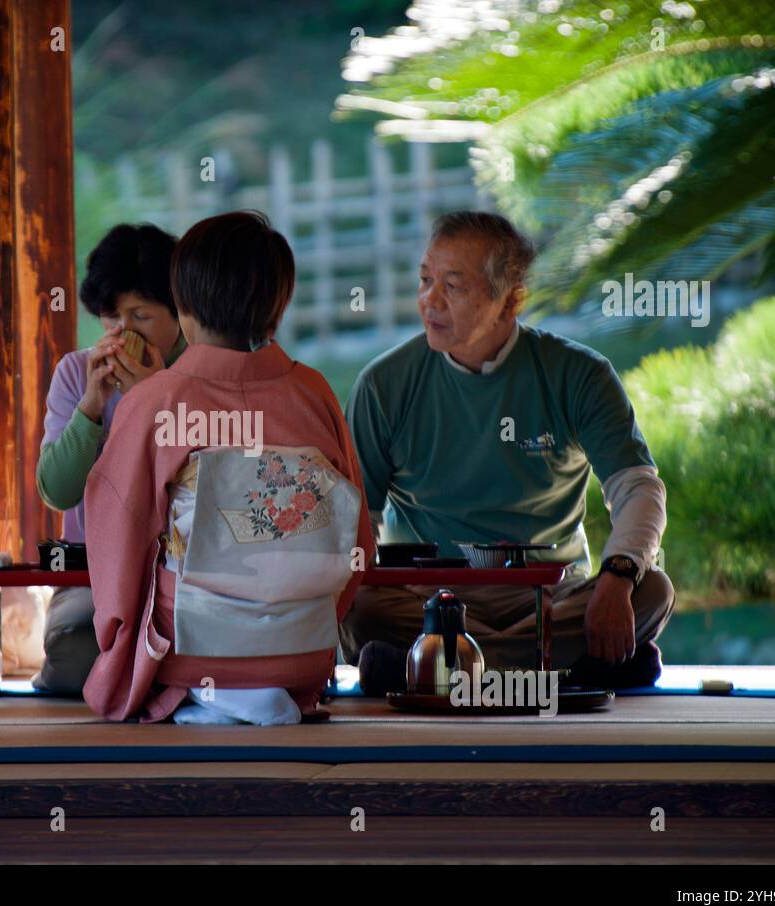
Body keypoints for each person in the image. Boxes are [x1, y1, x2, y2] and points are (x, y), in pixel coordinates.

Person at [342, 211, 674, 695]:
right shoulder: (384, 385)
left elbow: (638, 488)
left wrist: (618, 577)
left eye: (452, 286)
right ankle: (564, 673)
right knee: (357, 607)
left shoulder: (579, 374)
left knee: (651, 590)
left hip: (550, 597)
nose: (429, 301)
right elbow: (355, 521)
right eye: (425, 280)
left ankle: (434, 672)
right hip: (430, 604)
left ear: (511, 300)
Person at [82, 211, 375, 723]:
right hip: (300, 649)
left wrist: (118, 641)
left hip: (194, 648)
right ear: (276, 310)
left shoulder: (157, 400)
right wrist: (296, 617)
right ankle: (262, 684)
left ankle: (210, 691)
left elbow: (117, 541)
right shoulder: (314, 394)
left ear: (185, 306)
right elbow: (358, 543)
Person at [33, 224, 187, 693]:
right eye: (110, 317)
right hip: (93, 580)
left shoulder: (197, 373)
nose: (122, 332)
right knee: (73, 658)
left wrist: (152, 400)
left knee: (187, 652)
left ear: (181, 312)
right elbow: (57, 491)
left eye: (140, 315)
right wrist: (91, 407)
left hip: (183, 579)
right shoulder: (77, 373)